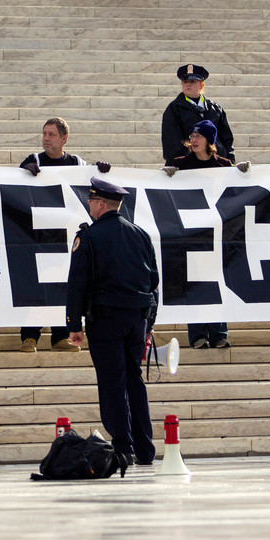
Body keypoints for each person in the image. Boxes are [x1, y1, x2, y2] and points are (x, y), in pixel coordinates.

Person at [66, 177, 160, 468]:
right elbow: (154, 282)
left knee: (112, 383)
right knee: (134, 380)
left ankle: (124, 447)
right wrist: (150, 323)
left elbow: (77, 283)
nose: (89, 205)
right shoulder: (140, 234)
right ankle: (145, 448)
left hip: (105, 319)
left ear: (101, 204)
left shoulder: (89, 237)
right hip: (137, 319)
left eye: (92, 201)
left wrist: (73, 324)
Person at [18, 117, 86, 353]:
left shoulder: (78, 163)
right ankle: (29, 336)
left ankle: (60, 335)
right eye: (44, 134)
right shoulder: (33, 160)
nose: (46, 138)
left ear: (64, 138)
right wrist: (22, 173)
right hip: (37, 236)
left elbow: (92, 185)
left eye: (51, 135)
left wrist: (102, 170)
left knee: (62, 286)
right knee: (34, 286)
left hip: (65, 236)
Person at [164, 120, 233, 349]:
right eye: (191, 136)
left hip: (215, 233)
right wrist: (168, 175)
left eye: (198, 136)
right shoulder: (180, 164)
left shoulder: (224, 165)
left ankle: (219, 333)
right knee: (194, 284)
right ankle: (198, 335)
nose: (193, 140)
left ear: (209, 141)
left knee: (216, 282)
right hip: (190, 234)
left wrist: (243, 173)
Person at [161, 64, 234, 162]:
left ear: (201, 85)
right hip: (188, 165)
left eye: (192, 81)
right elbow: (171, 142)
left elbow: (227, 139)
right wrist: (178, 163)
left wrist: (230, 160)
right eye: (185, 81)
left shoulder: (216, 109)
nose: (188, 84)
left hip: (215, 163)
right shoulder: (174, 109)